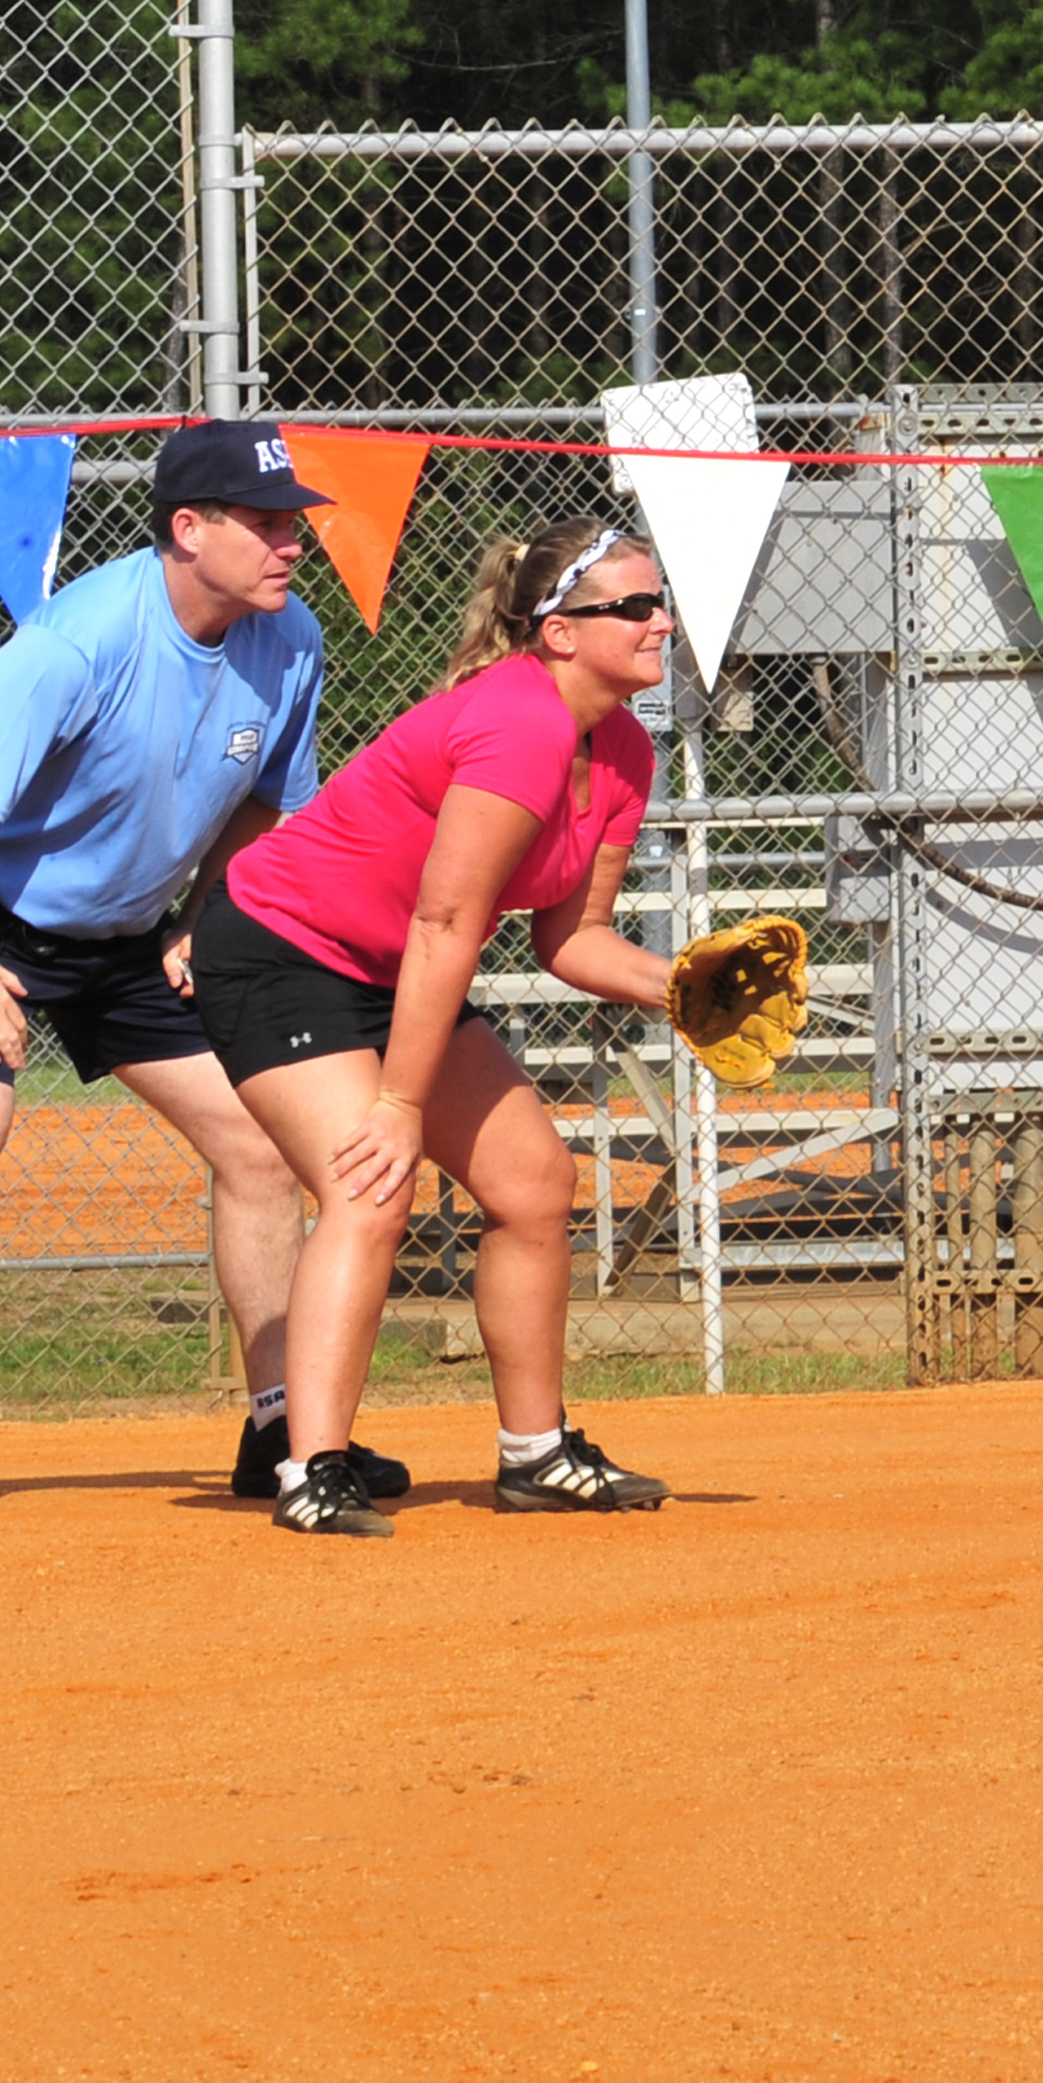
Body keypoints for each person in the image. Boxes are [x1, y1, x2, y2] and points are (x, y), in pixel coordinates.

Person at [0, 422, 381, 1520]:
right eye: (266, 524)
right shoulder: (81, 639)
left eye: (295, 523)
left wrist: (200, 923)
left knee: (259, 1145)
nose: (291, 544)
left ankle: (279, 1428)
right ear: (188, 528)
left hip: (125, 932)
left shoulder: (290, 638)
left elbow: (268, 803)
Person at [188, 516, 680, 1538]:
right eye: (635, 606)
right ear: (558, 632)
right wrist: (400, 1102)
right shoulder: (520, 721)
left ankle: (535, 1453)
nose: (660, 622)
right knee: (371, 1182)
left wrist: (684, 987)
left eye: (660, 601)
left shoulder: (624, 748)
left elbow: (573, 939)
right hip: (281, 947)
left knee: (532, 1182)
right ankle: (312, 1468)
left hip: (387, 966)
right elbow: (446, 921)